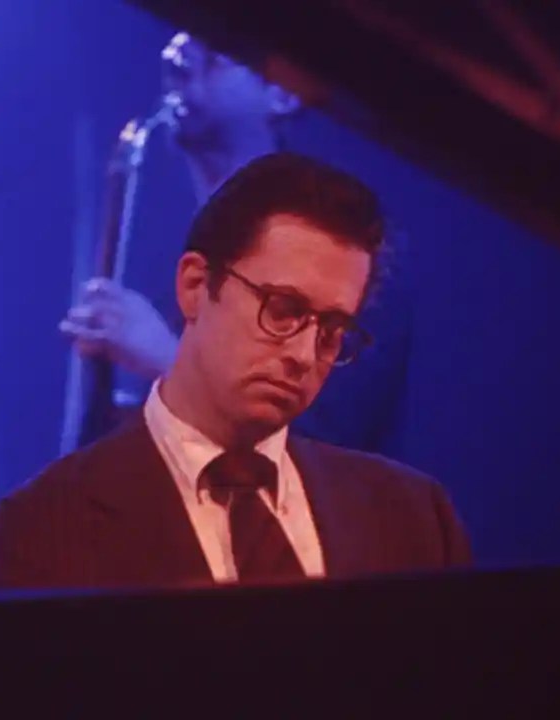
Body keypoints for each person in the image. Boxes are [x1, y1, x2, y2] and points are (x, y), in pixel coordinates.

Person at [0, 152, 469, 592]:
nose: (302, 353)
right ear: (194, 286)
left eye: (333, 329)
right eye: (282, 309)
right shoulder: (43, 529)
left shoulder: (414, 518)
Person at [60, 32, 414, 456]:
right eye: (181, 38)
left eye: (216, 46)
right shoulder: (161, 244)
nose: (179, 57)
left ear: (282, 94)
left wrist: (166, 361)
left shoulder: (349, 253)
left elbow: (329, 446)